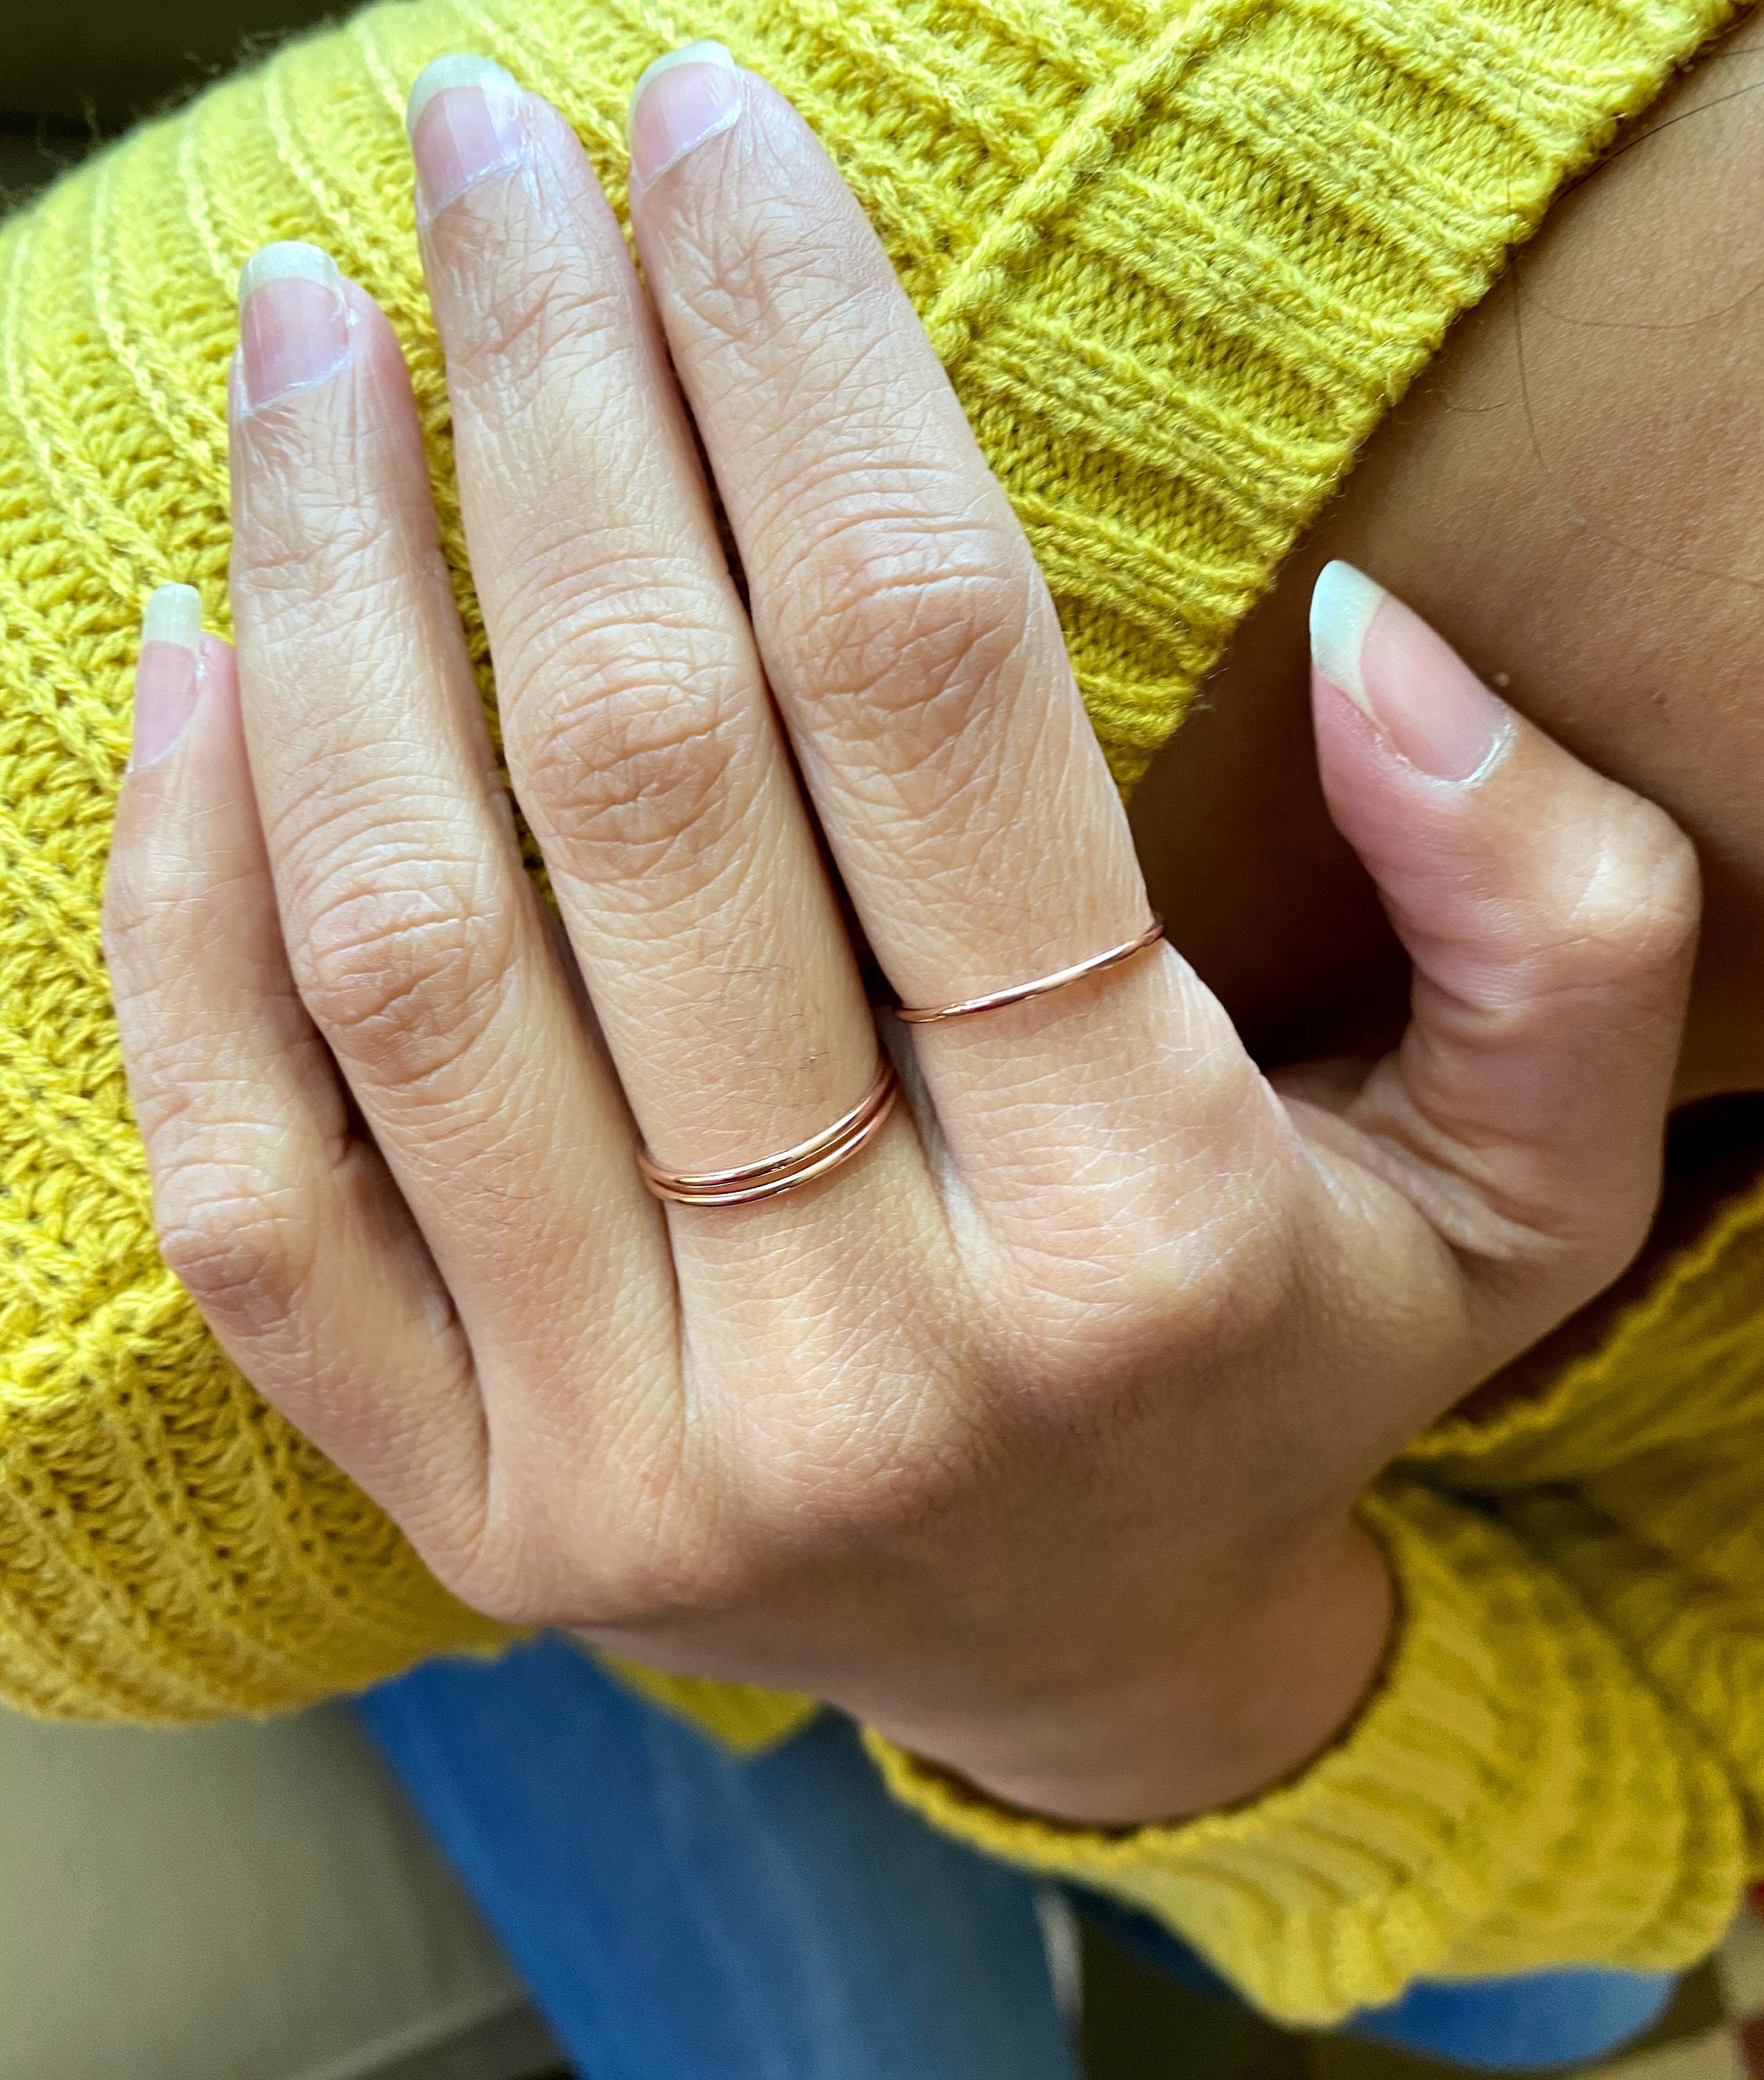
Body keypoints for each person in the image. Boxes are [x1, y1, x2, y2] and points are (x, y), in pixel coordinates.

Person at [3, 0, 1764, 2071]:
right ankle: (585, 1486)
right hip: (519, 1408)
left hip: (1210, 1570)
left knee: (1553, 1994)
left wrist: (1129, 1666)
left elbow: (1687, 1774)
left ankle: (718, 1526)